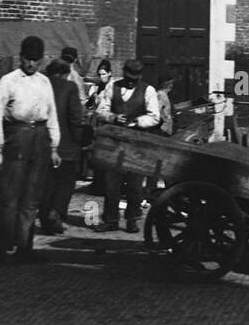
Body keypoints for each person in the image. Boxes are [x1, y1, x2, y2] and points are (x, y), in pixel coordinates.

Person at [0, 35, 62, 262]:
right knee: (9, 197)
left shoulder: (44, 82)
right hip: (16, 138)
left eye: (36, 60)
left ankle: (24, 248)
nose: (31, 64)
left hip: (40, 139)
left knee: (31, 199)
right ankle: (0, 249)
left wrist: (55, 147)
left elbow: (52, 116)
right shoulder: (8, 81)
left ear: (41, 60)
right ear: (21, 57)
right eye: (28, 59)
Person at [96, 59, 160, 232]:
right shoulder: (112, 87)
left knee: (135, 183)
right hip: (114, 142)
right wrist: (113, 117)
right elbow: (100, 110)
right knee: (111, 182)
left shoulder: (148, 90)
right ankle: (111, 220)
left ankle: (132, 219)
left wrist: (138, 121)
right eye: (129, 77)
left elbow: (155, 116)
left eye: (135, 78)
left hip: (136, 143)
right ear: (124, 73)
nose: (132, 81)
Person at [38, 58, 83, 235]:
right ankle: (56, 212)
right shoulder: (70, 87)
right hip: (66, 146)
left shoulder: (41, 85)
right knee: (66, 182)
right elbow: (75, 118)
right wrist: (80, 141)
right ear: (65, 73)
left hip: (43, 143)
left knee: (45, 183)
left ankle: (45, 219)